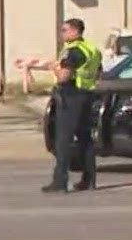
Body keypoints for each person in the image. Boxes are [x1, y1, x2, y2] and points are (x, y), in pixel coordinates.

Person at [44, 17, 103, 193]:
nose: (62, 34)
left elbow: (63, 76)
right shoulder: (92, 49)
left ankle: (60, 181)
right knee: (85, 139)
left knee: (63, 140)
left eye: (64, 30)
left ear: (75, 31)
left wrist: (53, 69)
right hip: (87, 95)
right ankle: (89, 179)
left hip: (71, 96)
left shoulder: (73, 51)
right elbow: (99, 72)